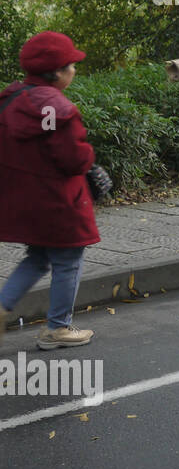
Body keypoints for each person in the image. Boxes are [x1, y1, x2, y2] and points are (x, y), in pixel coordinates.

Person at [0, 32, 100, 348]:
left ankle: (2, 305)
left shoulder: (9, 99)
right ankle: (58, 328)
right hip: (59, 202)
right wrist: (91, 160)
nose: (74, 70)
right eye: (71, 65)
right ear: (57, 72)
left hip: (24, 201)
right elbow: (72, 158)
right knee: (68, 258)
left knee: (39, 256)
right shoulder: (58, 107)